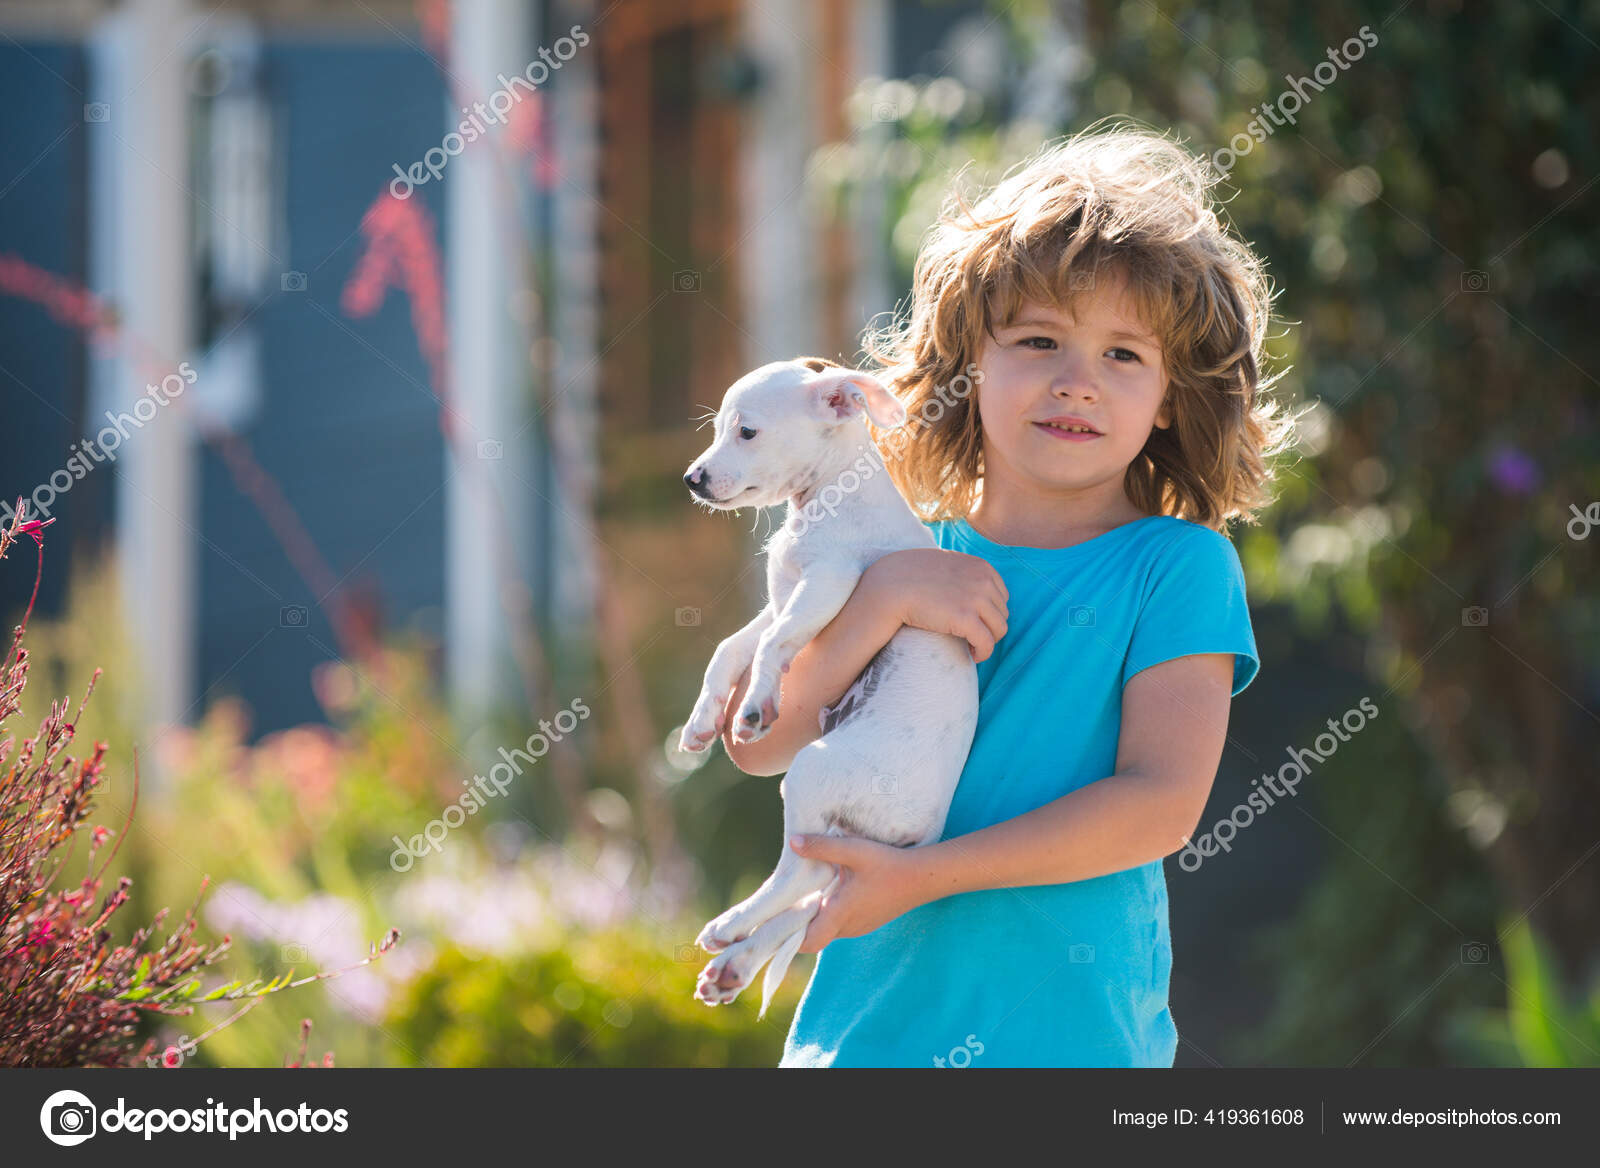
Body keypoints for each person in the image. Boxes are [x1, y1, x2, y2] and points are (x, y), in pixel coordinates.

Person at [722, 121, 1296, 1067]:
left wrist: (925, 877)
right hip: (859, 1044)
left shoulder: (1177, 568)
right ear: (966, 365)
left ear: (1168, 398)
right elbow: (760, 743)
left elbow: (1159, 805)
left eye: (1124, 355)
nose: (1078, 383)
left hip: (1074, 1048)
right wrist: (885, 600)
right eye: (1039, 340)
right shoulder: (888, 550)